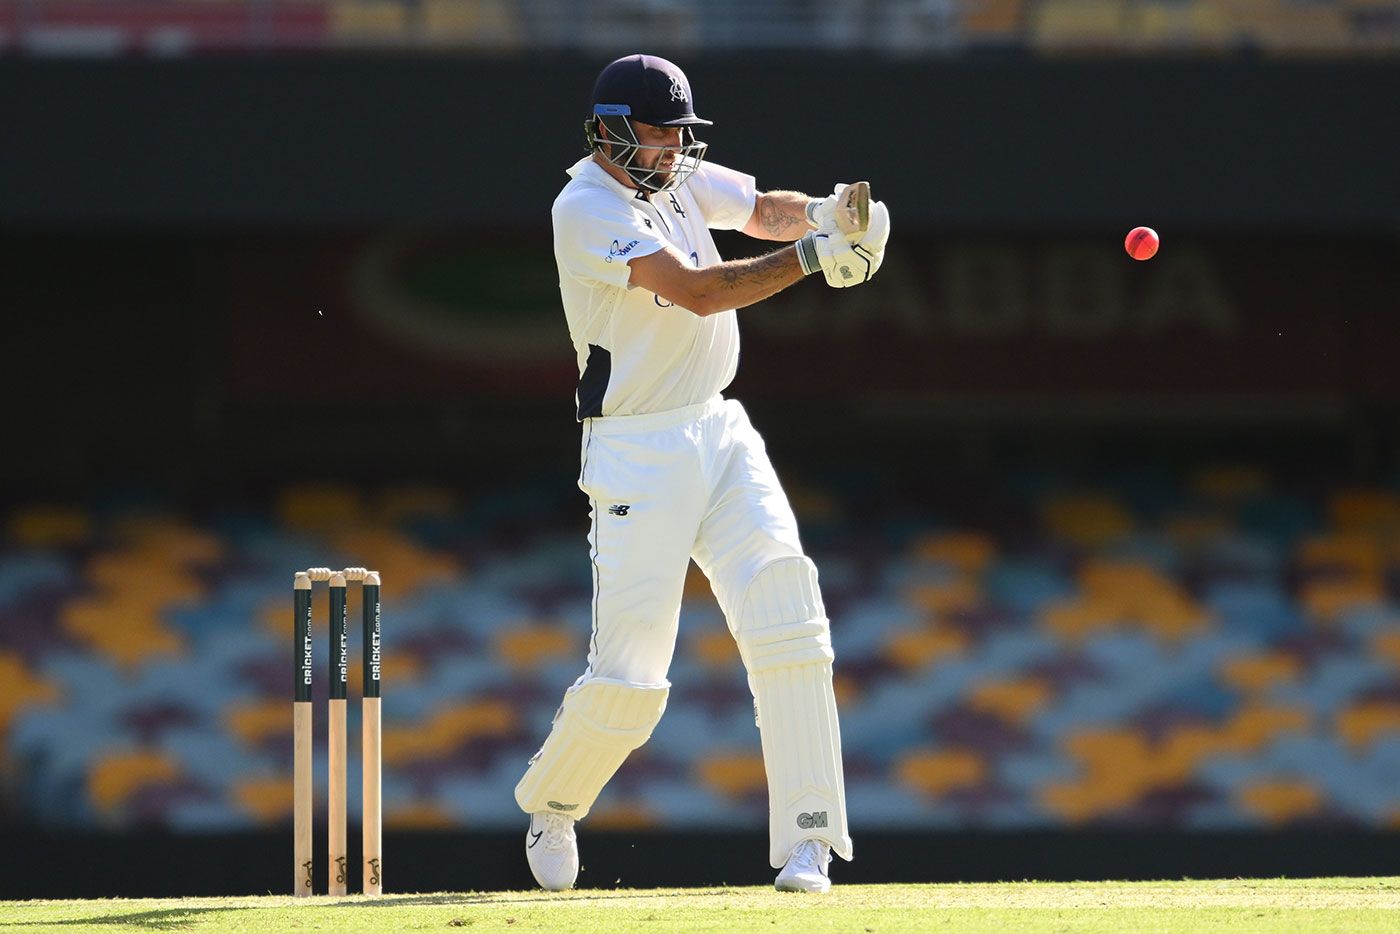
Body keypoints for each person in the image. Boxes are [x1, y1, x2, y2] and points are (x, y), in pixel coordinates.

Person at [514, 52, 890, 895]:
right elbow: (694, 291)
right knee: (633, 676)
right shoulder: (583, 208)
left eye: (682, 135)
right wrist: (816, 260)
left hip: (719, 426)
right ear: (611, 132)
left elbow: (759, 210)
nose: (675, 150)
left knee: (789, 608)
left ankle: (808, 842)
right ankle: (554, 801)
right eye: (659, 133)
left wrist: (833, 213)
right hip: (637, 449)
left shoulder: (674, 176)